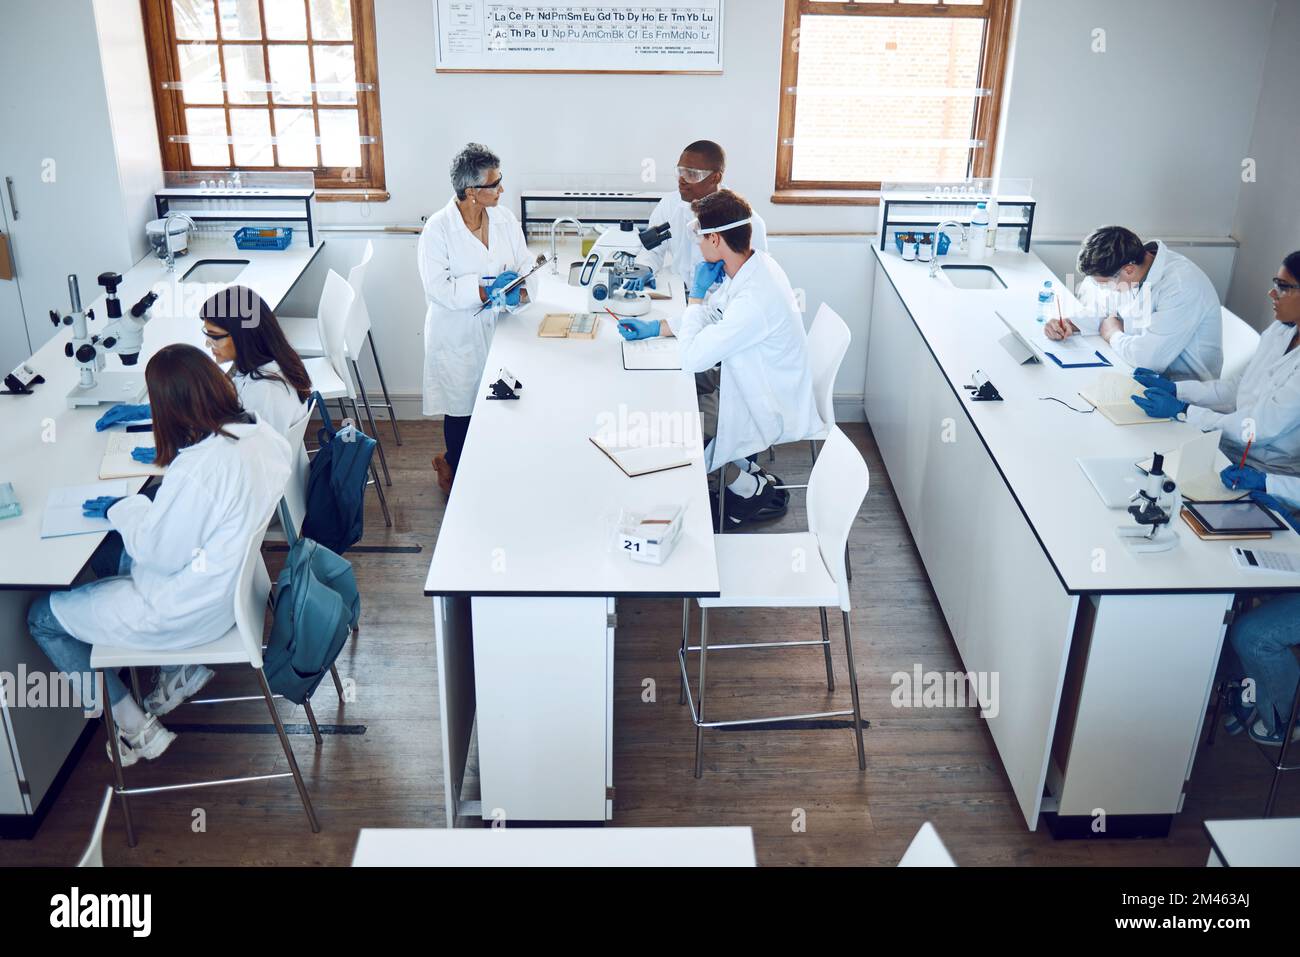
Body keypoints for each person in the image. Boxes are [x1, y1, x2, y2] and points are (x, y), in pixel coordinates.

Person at [27, 344, 292, 766]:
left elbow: (159, 552)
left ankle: (137, 727)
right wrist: (149, 500)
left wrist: (123, 507)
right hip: (231, 594)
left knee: (41, 618)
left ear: (169, 407)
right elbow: (205, 507)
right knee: (110, 548)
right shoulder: (261, 435)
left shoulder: (199, 469)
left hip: (183, 609)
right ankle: (175, 669)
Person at [623, 189, 821, 527]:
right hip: (748, 378)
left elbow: (691, 358)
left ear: (716, 239)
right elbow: (715, 315)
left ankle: (736, 489)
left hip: (766, 402)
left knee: (675, 419)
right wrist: (658, 325)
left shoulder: (754, 300)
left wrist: (696, 296)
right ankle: (737, 476)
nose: (697, 245)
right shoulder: (753, 265)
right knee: (674, 396)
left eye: (699, 237)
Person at [418, 143, 537, 493]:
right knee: (461, 408)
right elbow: (439, 288)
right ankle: (451, 464)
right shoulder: (438, 230)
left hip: (500, 327)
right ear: (472, 191)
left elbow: (525, 263)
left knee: (504, 399)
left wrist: (522, 289)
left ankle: (492, 468)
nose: (502, 189)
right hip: (457, 333)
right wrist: (486, 290)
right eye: (495, 183)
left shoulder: (504, 218)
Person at [1130, 251, 1300, 474]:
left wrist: (1185, 411)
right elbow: (1237, 388)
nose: (1272, 293)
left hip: (1262, 470)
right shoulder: (1280, 330)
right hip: (1228, 447)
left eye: (1283, 286)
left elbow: (1258, 427)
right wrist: (1177, 390)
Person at [1044, 225, 1222, 381]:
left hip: (1180, 390)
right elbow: (1106, 310)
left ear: (1128, 270)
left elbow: (1149, 359)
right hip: (1133, 369)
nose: (1106, 290)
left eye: (1105, 284)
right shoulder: (1136, 268)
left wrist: (1113, 334)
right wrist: (1069, 323)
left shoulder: (1181, 286)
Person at [638, 139, 769, 288]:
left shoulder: (746, 222)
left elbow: (752, 279)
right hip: (678, 292)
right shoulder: (669, 204)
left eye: (692, 174)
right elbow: (652, 250)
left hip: (721, 302)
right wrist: (644, 269)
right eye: (680, 172)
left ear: (715, 178)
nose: (682, 180)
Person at [199, 285, 312, 437]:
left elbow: (253, 451)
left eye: (215, 336)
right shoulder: (275, 360)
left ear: (242, 335)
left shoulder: (264, 390)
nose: (208, 343)